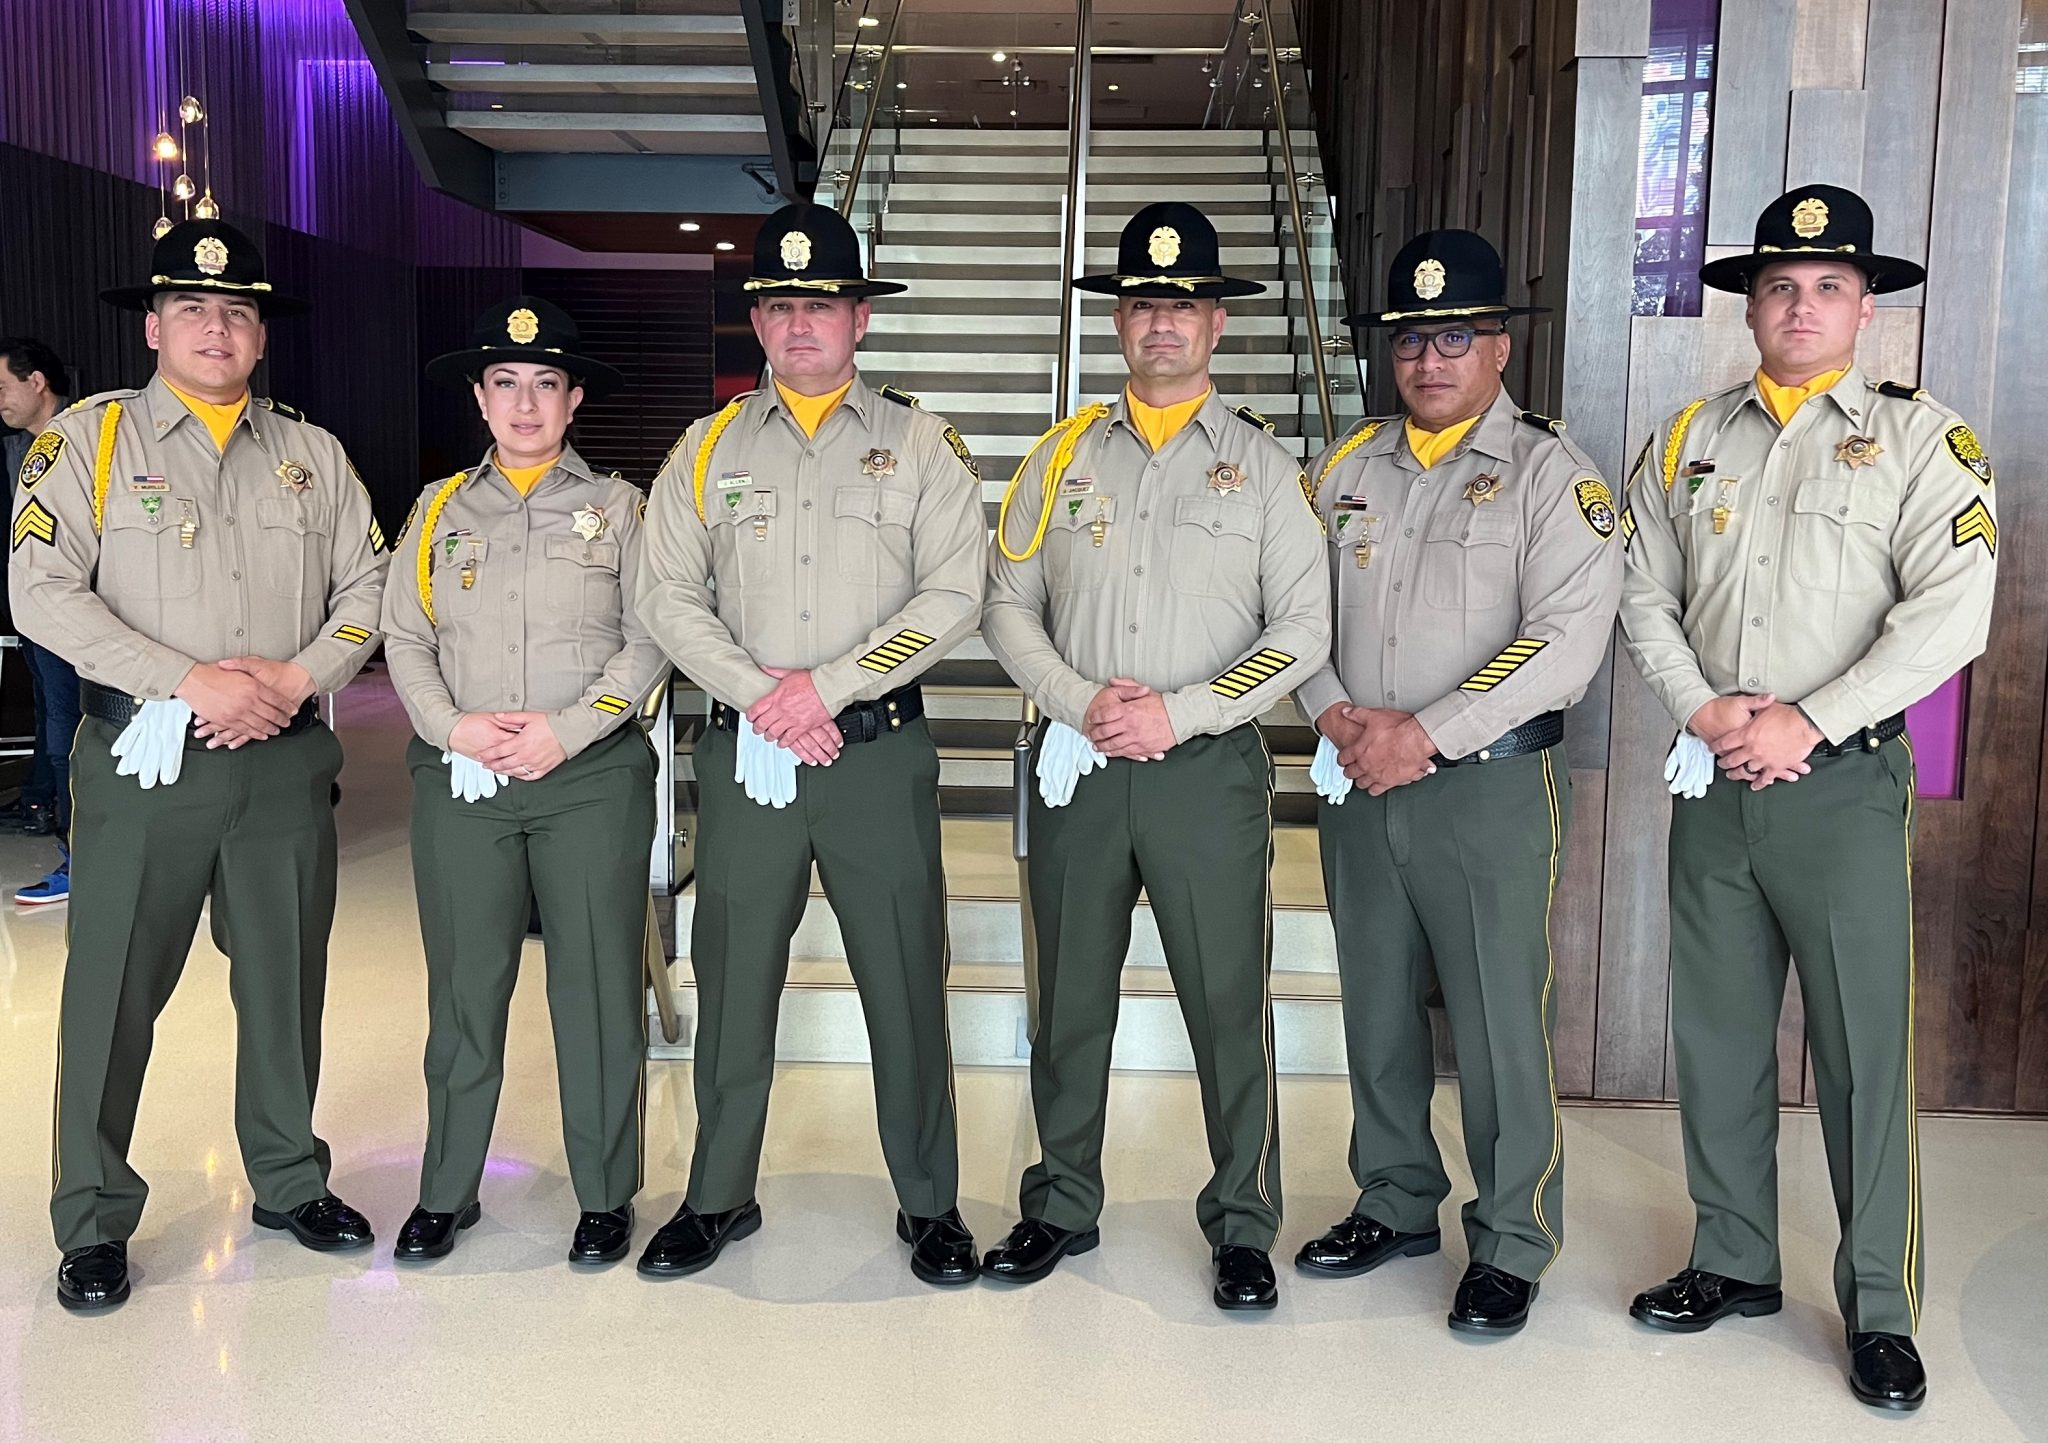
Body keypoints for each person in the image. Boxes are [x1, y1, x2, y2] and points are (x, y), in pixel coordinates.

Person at [1618, 185, 1998, 1412]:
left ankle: (1879, 1307)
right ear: (1747, 302)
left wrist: (1808, 719)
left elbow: (1949, 612)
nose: (1799, 303)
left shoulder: (1919, 442)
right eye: (1777, 284)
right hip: (1715, 779)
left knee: (1858, 1058)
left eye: (1826, 285)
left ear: (1864, 305)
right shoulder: (1686, 439)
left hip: (1838, 786)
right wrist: (1700, 708)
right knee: (1717, 1040)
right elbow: (1640, 588)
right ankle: (1730, 1260)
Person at [9, 218, 388, 1312]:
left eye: (235, 312)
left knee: (285, 983)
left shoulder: (313, 455)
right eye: (192, 308)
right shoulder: (84, 442)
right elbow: (41, 591)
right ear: (153, 323)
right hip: (144, 755)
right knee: (112, 991)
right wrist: (189, 679)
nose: (215, 328)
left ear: (260, 334)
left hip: (280, 758)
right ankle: (89, 1216)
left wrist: (295, 676)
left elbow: (369, 589)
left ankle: (285, 1178)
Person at [979, 202, 1329, 1311]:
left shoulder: (1266, 470)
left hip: (1203, 771)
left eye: (1180, 304)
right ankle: (1059, 1201)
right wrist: (1079, 702)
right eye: (1141, 304)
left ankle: (1240, 1221)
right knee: (1068, 999)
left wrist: (1180, 712)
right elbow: (1005, 605)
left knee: (1226, 1003)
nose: (1160, 323)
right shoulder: (1059, 457)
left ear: (1215, 323)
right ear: (1117, 324)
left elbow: (1301, 630)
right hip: (1079, 766)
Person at [633, 203, 986, 1285]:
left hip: (876, 753)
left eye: (820, 304)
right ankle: (717, 1194)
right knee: (736, 975)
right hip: (750, 758)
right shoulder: (704, 450)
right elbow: (665, 598)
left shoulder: (919, 445)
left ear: (860, 317)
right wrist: (761, 697)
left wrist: (824, 690)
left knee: (902, 979)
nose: (799, 325)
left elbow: (956, 596)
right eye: (779, 305)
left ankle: (928, 1202)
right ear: (758, 321)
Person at [1288, 230, 1621, 1336]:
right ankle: (1393, 1199)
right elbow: (1293, 617)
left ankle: (1513, 1237)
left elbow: (1562, 643)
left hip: (1483, 790)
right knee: (1374, 1006)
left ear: (1494, 346)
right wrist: (1331, 710)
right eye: (1409, 340)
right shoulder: (1344, 469)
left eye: (1452, 337)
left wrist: (1422, 734)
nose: (1428, 360)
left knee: (1493, 1021)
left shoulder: (1547, 475)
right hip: (1356, 776)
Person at [381, 296, 667, 1264]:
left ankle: (603, 1193)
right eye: (505, 382)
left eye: (545, 382)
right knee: (465, 988)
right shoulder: (434, 511)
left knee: (593, 989)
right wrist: (452, 727)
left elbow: (648, 639)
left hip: (588, 780)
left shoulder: (626, 508)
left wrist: (574, 729)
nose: (525, 402)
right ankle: (446, 1188)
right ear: (479, 395)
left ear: (574, 396)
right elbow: (406, 639)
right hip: (462, 783)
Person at [0, 337, 82, 904]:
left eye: (4, 387)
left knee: (71, 735)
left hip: (78, 621)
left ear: (37, 383)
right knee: (56, 728)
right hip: (33, 619)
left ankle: (83, 856)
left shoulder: (89, 441)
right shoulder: (17, 450)